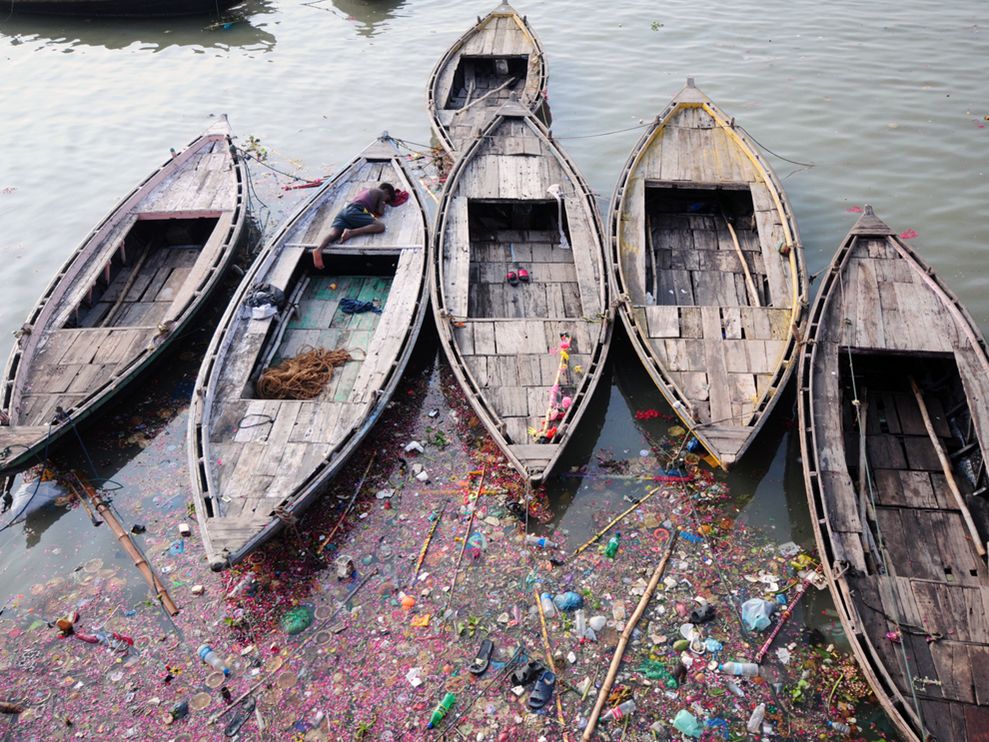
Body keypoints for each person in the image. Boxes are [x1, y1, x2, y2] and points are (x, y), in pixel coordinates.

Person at [312, 182, 396, 269]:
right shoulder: (381, 192)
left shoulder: (366, 190)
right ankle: (351, 232)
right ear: (386, 191)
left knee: (334, 234)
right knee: (380, 226)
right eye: (388, 199)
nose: (386, 201)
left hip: (344, 211)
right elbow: (380, 212)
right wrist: (383, 203)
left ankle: (319, 249)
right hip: (356, 211)